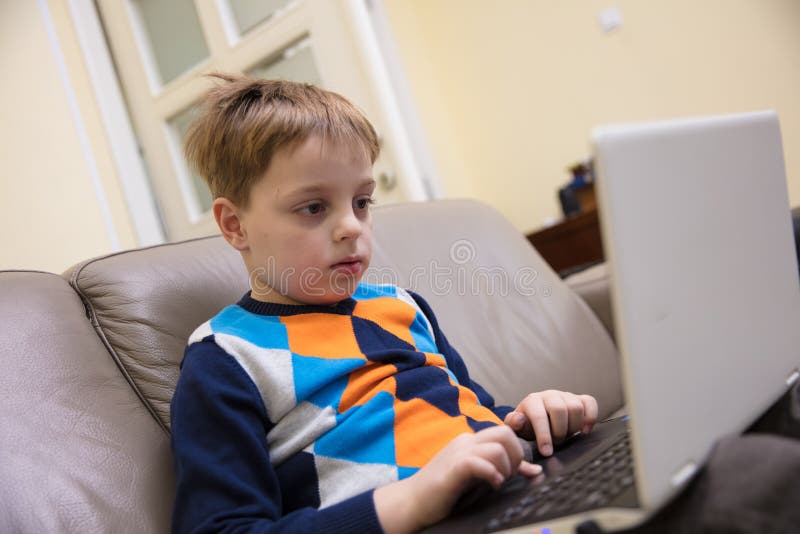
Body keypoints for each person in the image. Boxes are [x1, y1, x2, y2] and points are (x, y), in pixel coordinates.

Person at [169, 73, 599, 534]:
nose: (352, 227)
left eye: (361, 202)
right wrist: (412, 500)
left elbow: (473, 415)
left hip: (526, 497)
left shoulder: (403, 307)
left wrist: (530, 420)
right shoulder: (226, 357)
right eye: (313, 207)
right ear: (235, 225)